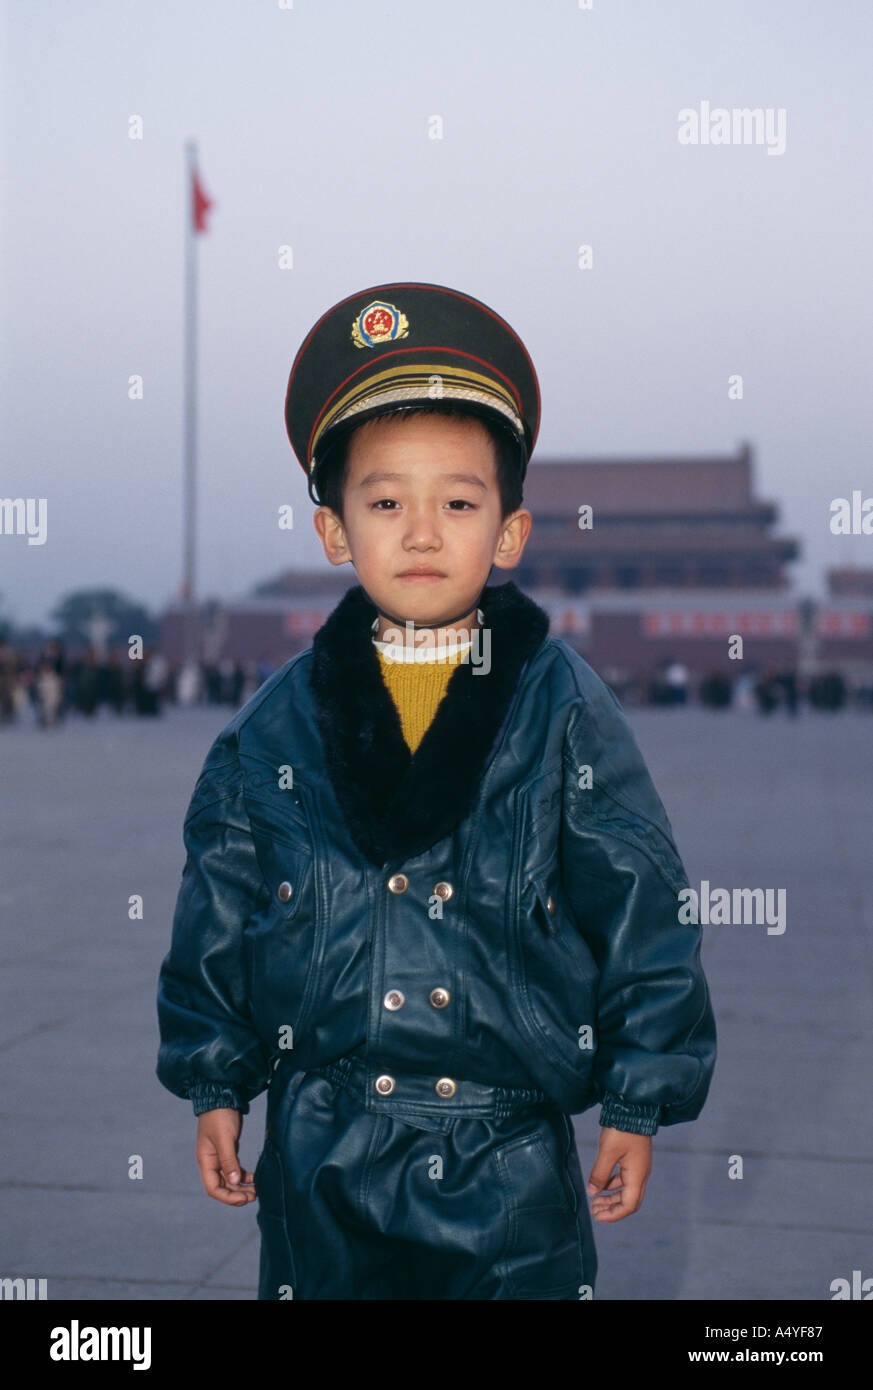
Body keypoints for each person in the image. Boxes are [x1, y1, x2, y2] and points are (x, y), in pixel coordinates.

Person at [156, 282, 716, 1300]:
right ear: (334, 532)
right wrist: (214, 1077)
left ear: (509, 531)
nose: (421, 533)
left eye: (458, 503)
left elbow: (642, 897)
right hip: (323, 1138)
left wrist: (639, 1098)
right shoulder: (272, 727)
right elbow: (218, 910)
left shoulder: (560, 709)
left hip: (506, 1149)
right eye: (384, 503)